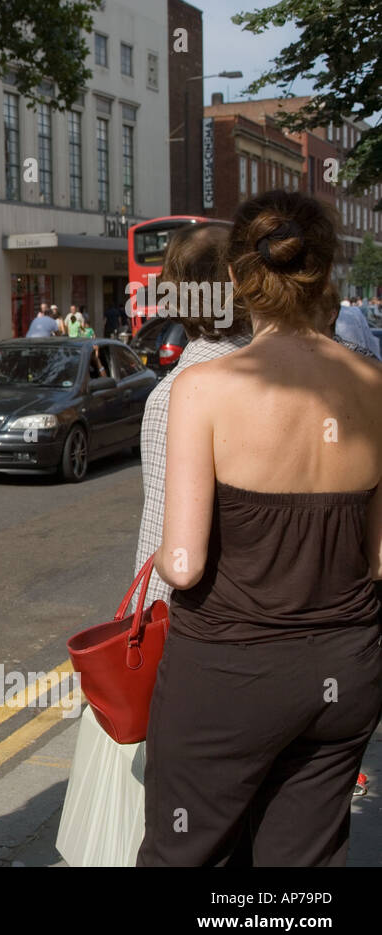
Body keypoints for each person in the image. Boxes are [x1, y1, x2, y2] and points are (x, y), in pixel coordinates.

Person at [138, 190, 382, 866]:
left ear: (241, 278)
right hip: (346, 669)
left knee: (184, 852)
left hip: (229, 669)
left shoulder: (206, 388)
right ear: (326, 274)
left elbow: (183, 564)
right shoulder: (372, 385)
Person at [57, 223, 252, 867]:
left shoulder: (177, 394)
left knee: (191, 831)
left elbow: (168, 548)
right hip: (293, 645)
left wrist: (136, 632)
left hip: (203, 645)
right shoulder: (288, 383)